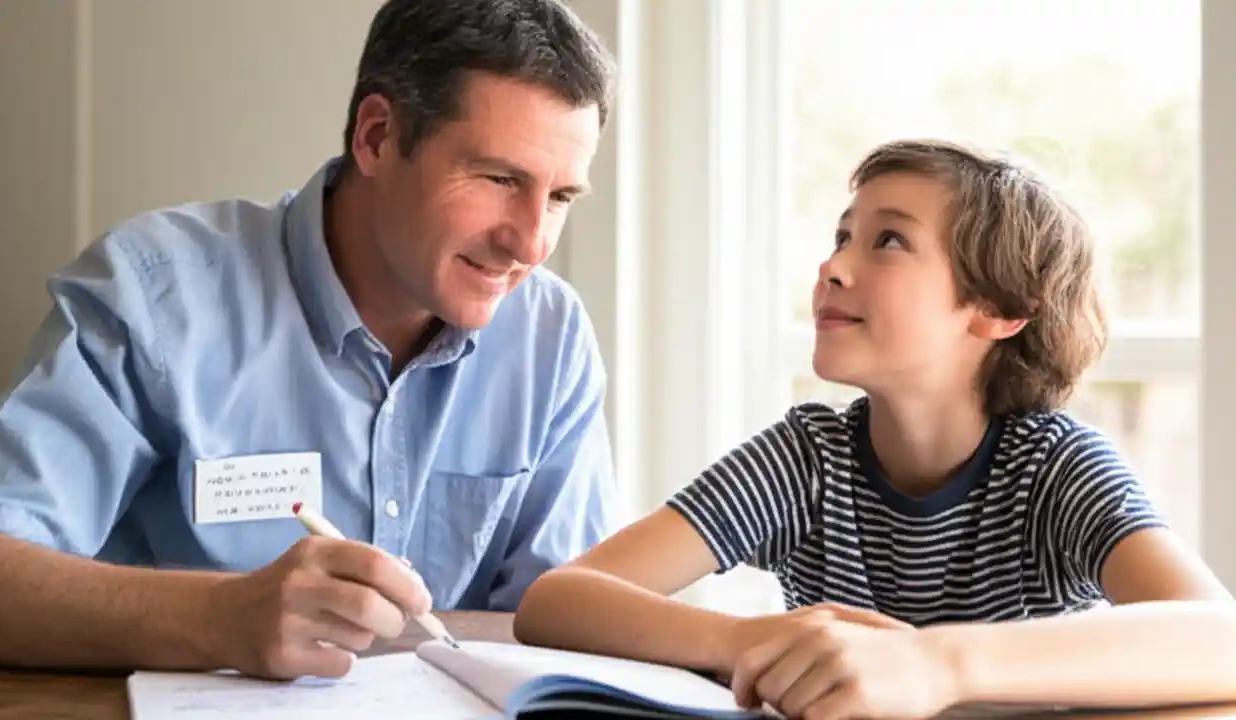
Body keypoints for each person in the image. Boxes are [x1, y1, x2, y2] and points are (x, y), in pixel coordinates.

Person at [0, 0, 616, 680]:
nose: (531, 243)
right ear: (378, 137)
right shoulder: (155, 298)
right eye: (500, 179)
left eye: (561, 197)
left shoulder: (551, 340)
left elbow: (562, 627)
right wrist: (214, 620)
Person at [515, 140, 1236, 719]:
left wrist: (935, 665)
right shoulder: (807, 459)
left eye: (888, 241)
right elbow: (557, 600)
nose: (831, 266)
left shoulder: (1053, 464)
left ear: (998, 310)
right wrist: (744, 641)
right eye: (841, 236)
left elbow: (1222, 639)